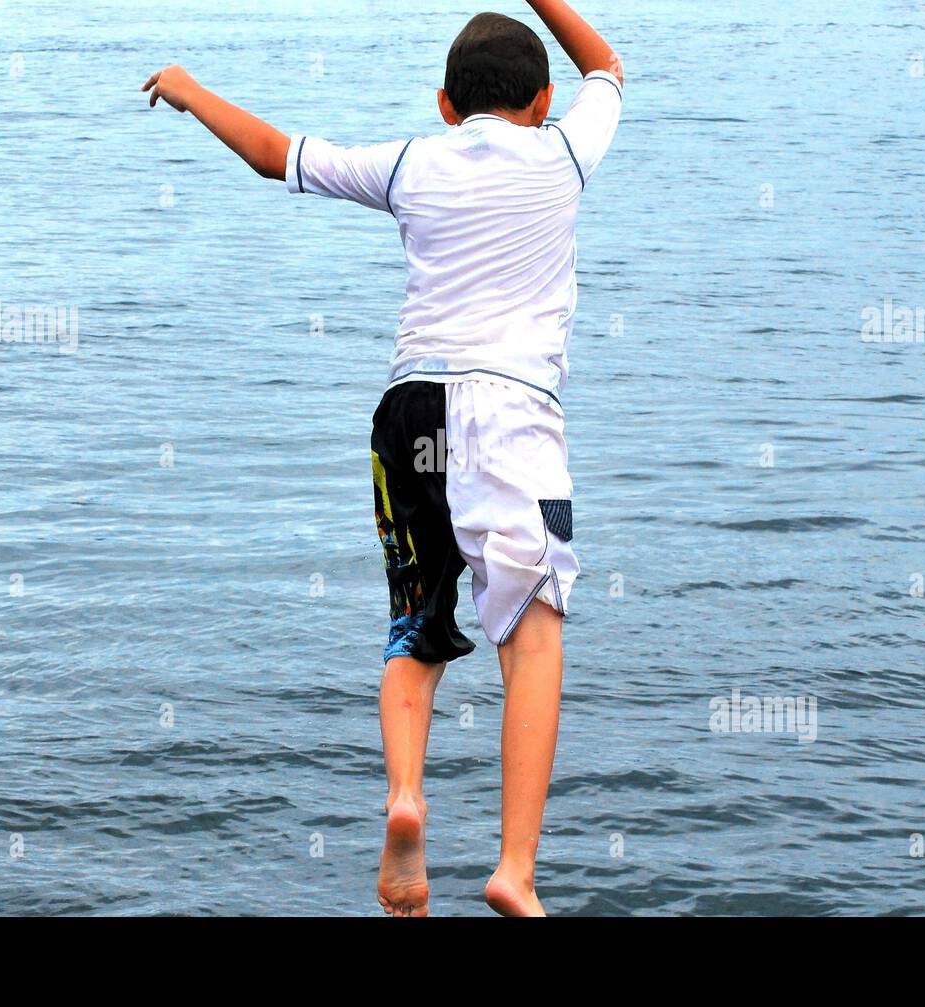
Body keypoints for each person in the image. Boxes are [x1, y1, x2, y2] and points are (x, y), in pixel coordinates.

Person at [143, 0, 623, 917]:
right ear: (543, 100)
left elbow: (273, 154)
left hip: (408, 412)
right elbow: (610, 66)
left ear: (445, 103)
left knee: (416, 626)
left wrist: (187, 85)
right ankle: (513, 868)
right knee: (536, 630)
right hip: (512, 412)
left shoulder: (411, 160)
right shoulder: (565, 150)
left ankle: (407, 797)